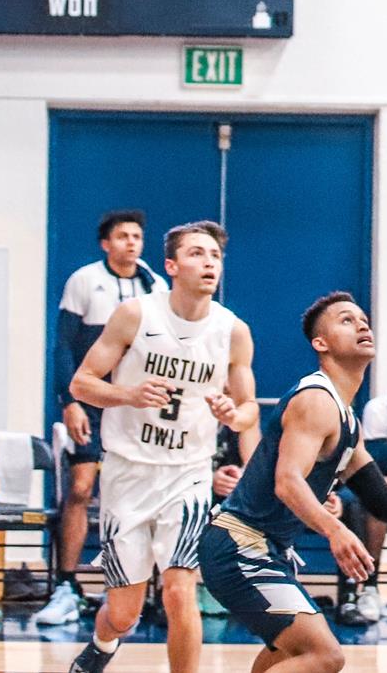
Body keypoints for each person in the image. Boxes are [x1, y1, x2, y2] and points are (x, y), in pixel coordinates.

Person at [198, 295, 387, 672]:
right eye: (347, 320)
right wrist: (335, 531)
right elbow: (287, 482)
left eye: (363, 319)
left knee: (291, 653)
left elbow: (381, 499)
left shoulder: (348, 419)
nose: (362, 325)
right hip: (238, 546)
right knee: (325, 656)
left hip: (263, 548)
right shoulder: (316, 399)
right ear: (320, 343)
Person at [63, 220, 256, 673]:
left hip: (188, 474)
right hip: (127, 470)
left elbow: (249, 411)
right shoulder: (136, 314)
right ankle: (103, 644)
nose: (208, 262)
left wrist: (234, 416)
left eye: (215, 255)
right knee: (124, 613)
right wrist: (127, 394)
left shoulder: (232, 331)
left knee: (179, 588)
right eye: (196, 253)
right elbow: (81, 384)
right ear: (170, 265)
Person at [39, 210, 163, 625]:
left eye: (137, 236)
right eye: (123, 236)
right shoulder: (83, 280)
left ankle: (140, 586)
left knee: (142, 492)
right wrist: (68, 402)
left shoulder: (154, 285)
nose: (131, 242)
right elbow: (62, 347)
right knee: (81, 485)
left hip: (135, 402)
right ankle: (67, 583)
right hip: (91, 402)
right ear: (106, 244)